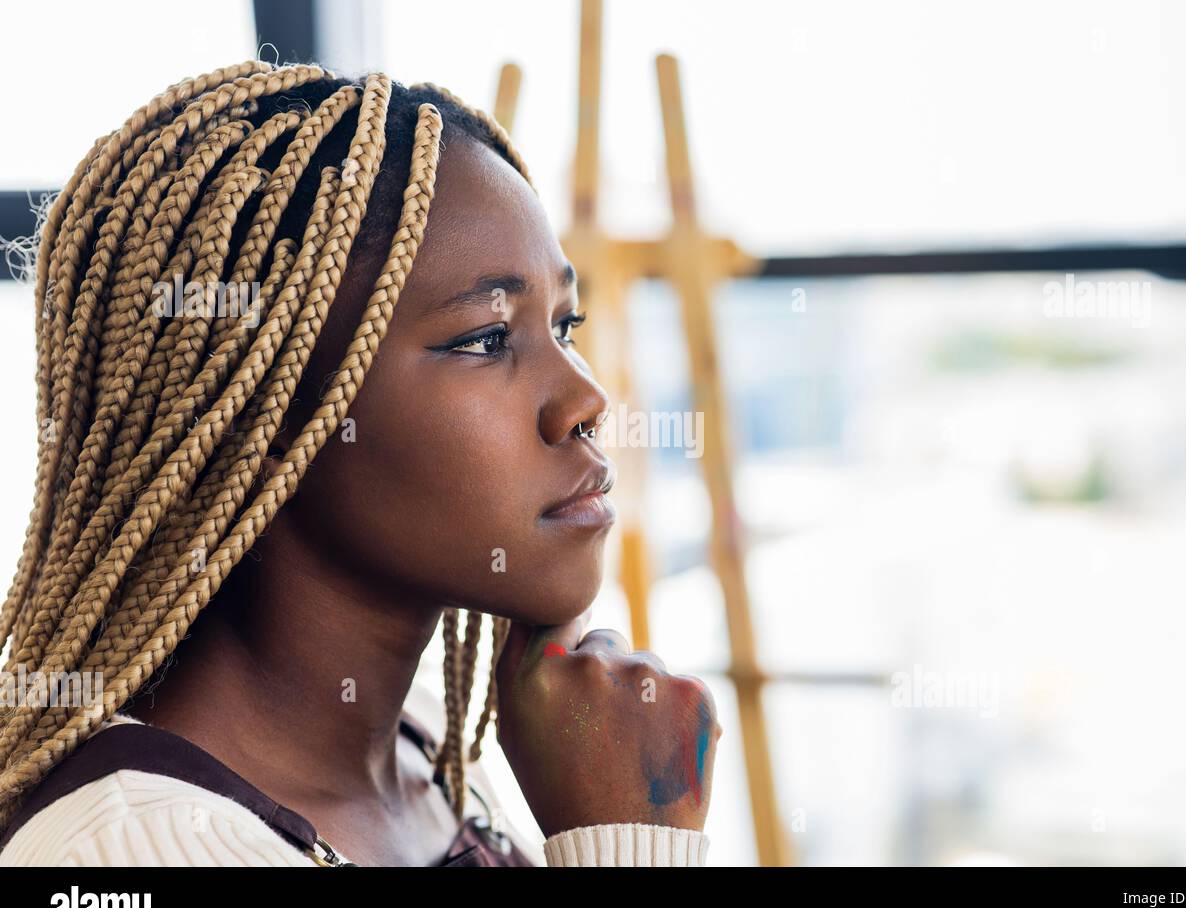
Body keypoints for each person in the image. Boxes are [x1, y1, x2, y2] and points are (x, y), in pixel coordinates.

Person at [0, 60, 721, 866]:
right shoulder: (124, 850)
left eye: (566, 324)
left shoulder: (425, 761)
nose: (586, 400)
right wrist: (629, 840)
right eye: (485, 339)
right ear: (262, 405)